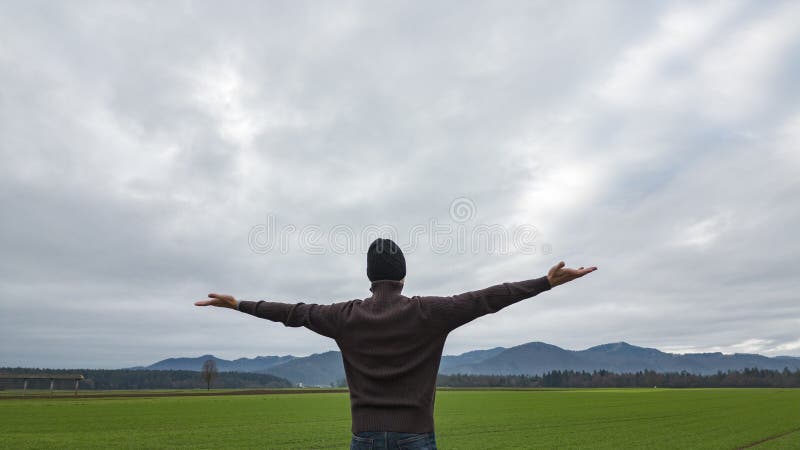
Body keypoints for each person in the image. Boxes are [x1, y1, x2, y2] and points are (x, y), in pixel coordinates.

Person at [195, 238, 597, 449]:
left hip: (364, 437)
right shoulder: (429, 312)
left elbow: (294, 312)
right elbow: (489, 297)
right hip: (417, 436)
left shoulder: (343, 315)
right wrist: (544, 283)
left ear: (370, 278)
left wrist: (241, 305)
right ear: (403, 276)